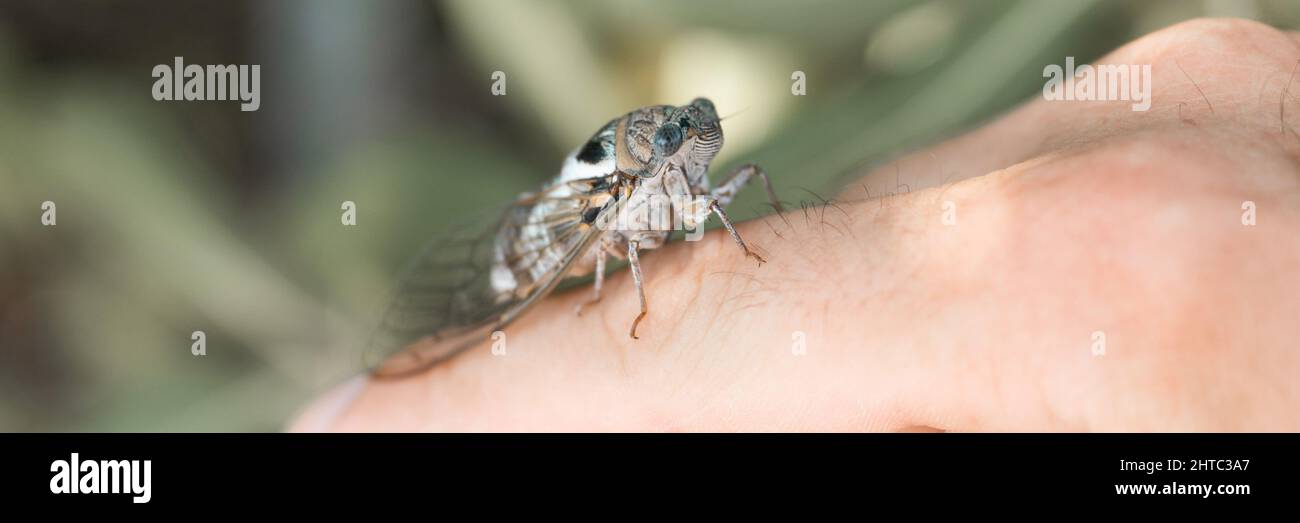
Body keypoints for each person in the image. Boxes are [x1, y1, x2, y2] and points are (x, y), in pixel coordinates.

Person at [292, 18, 1300, 432]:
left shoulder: (701, 172)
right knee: (586, 265)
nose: (702, 150)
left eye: (699, 140)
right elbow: (616, 248)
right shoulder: (629, 188)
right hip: (552, 234)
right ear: (662, 153)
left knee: (756, 185)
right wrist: (619, 292)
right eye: (685, 142)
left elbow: (737, 184)